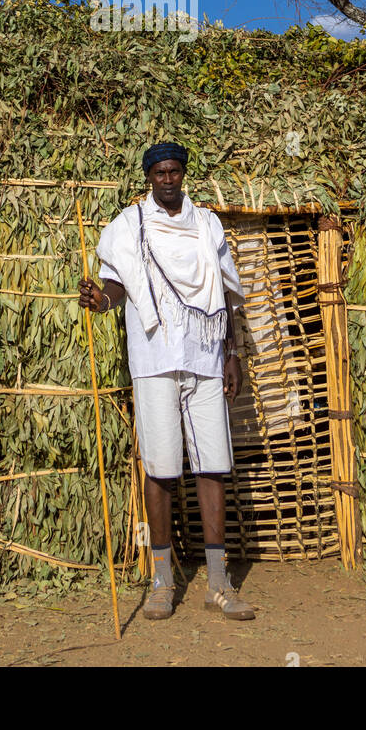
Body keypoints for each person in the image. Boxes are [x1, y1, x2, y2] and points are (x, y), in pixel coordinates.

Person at [78, 141, 255, 621]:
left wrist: (232, 355)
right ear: (149, 177)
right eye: (160, 173)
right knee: (160, 467)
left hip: (204, 357)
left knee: (213, 464)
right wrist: (101, 299)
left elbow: (225, 292)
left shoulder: (206, 225)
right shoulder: (128, 227)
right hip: (155, 359)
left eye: (175, 171)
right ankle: (162, 582)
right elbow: (120, 284)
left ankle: (218, 583)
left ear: (183, 175)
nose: (169, 179)